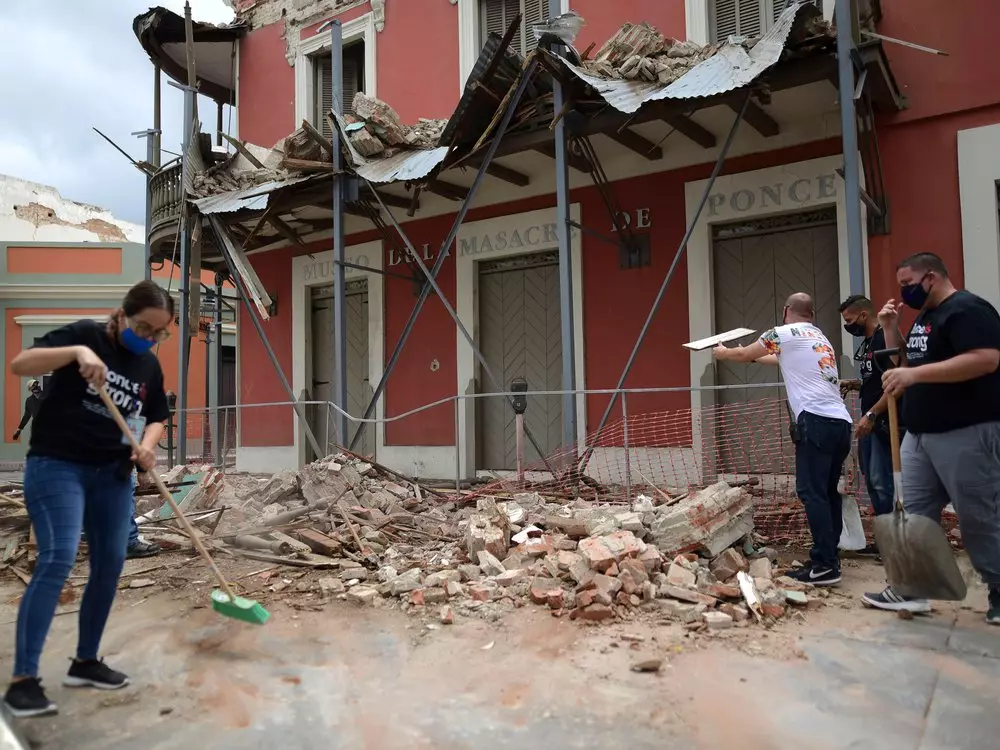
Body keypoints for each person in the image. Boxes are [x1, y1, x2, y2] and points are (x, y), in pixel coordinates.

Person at [3, 280, 173, 718]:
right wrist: (76, 354)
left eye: (160, 333)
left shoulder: (148, 368)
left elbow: (155, 416)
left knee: (111, 562)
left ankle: (86, 661)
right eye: (144, 328)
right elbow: (21, 363)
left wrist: (148, 445)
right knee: (58, 557)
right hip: (59, 465)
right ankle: (23, 681)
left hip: (112, 476)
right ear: (121, 315)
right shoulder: (85, 336)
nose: (150, 338)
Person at [861, 253, 1000, 623]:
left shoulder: (968, 310)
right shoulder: (925, 318)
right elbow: (905, 365)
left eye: (908, 284)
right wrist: (891, 328)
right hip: (920, 434)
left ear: (932, 277)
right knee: (912, 514)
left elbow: (987, 359)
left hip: (965, 431)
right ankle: (912, 589)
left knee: (979, 516)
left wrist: (915, 378)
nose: (903, 291)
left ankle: (999, 588)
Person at [714, 293, 852, 586]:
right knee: (827, 493)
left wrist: (725, 353)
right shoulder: (818, 337)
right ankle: (829, 558)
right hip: (840, 422)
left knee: (811, 491)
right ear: (810, 313)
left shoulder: (781, 332)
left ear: (787, 310)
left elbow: (743, 356)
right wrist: (747, 353)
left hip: (815, 420)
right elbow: (775, 359)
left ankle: (825, 565)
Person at [838, 295, 898, 521]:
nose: (848, 326)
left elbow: (895, 385)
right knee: (872, 479)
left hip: (882, 423)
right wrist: (854, 384)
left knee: (882, 481)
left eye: (849, 320)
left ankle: (895, 543)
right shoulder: (869, 342)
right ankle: (886, 540)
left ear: (864, 315)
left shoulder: (885, 340)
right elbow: (875, 379)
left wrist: (872, 414)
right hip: (870, 422)